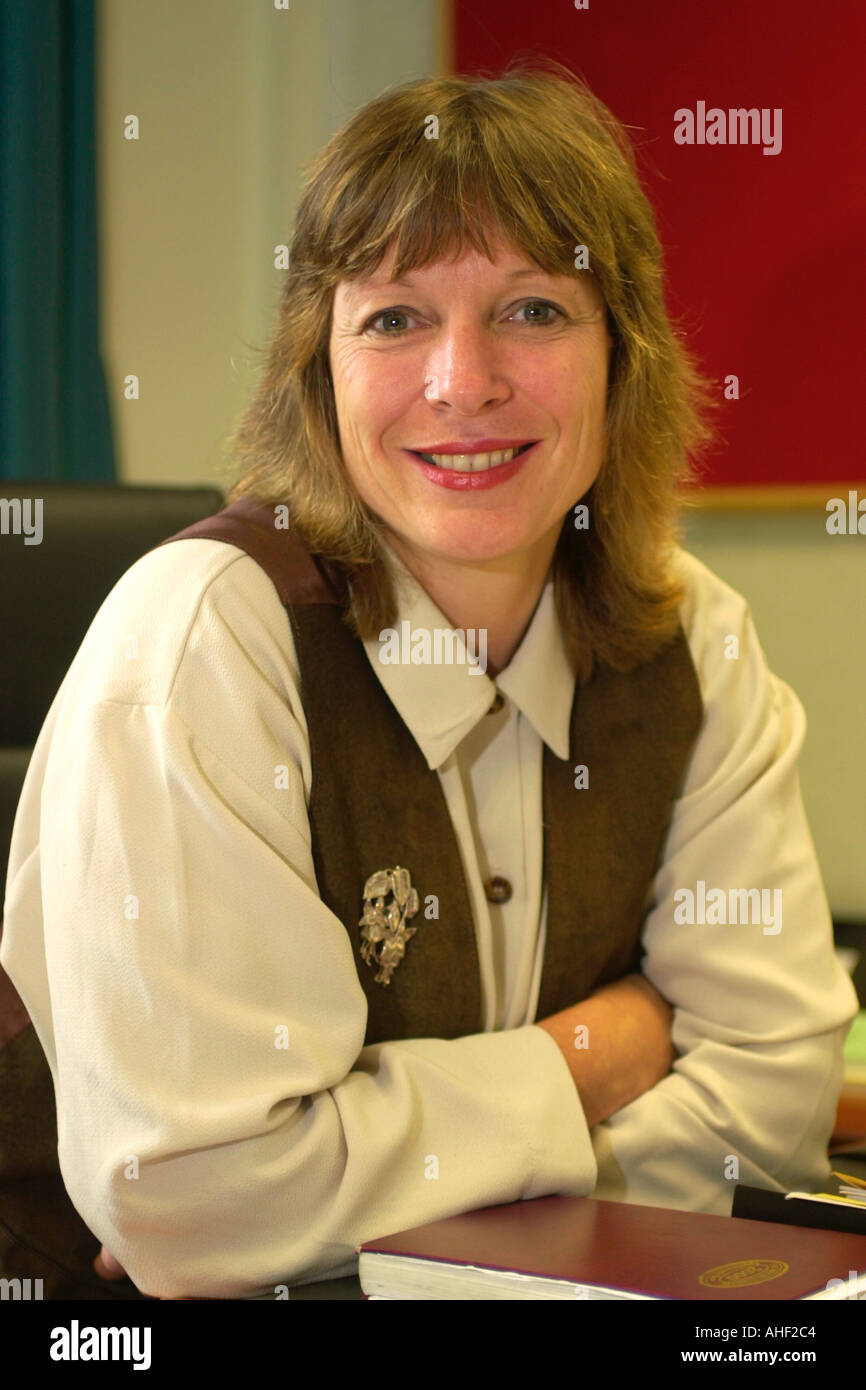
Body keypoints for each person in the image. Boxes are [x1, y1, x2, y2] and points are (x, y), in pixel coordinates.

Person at [1, 61, 858, 1301]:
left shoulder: (696, 641)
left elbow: (772, 1094)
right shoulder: (201, 644)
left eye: (531, 311)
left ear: (625, 358)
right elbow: (197, 1205)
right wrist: (593, 1054)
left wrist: (358, 1195)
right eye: (395, 318)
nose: (463, 382)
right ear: (320, 369)